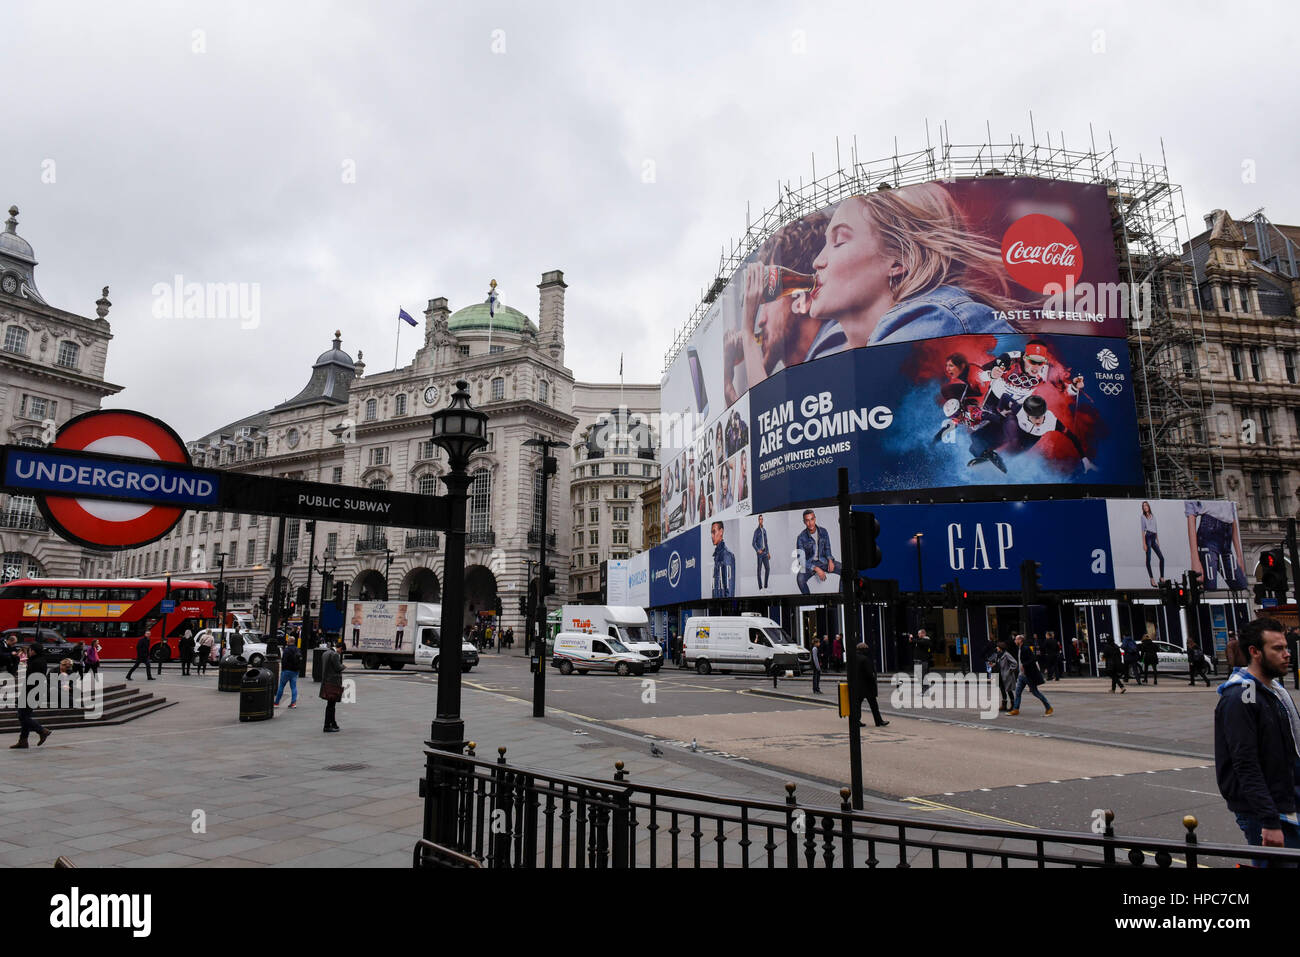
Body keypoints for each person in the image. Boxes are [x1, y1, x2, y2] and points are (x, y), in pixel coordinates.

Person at [808, 186, 1021, 348]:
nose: (817, 261)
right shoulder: (830, 344)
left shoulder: (937, 322)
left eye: (839, 241)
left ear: (901, 258)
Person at [1214, 617, 1300, 861]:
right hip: (1265, 812)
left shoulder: (1275, 692)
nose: (1287, 654)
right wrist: (1269, 820)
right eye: (1278, 648)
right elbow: (1245, 762)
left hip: (1286, 801)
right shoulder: (1240, 697)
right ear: (1255, 652)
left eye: (1286, 647)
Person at [10, 644, 51, 749]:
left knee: (22, 716)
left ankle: (42, 730)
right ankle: (23, 741)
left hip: (31, 692)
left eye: (30, 650)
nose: (29, 651)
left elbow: (33, 680)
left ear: (34, 651)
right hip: (33, 691)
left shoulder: (37, 662)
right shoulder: (38, 660)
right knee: (25, 716)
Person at [1008, 634, 1053, 716]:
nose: (1015, 641)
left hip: (1028, 675)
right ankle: (1016, 709)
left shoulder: (1025, 648)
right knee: (1018, 692)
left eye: (1016, 640)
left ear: (1020, 640)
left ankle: (1048, 707)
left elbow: (1033, 659)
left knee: (1035, 692)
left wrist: (1024, 665)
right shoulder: (1020, 649)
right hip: (1022, 675)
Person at [795, 509, 837, 594]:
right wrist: (816, 568)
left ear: (815, 519)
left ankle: (842, 599)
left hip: (823, 561)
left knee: (844, 571)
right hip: (810, 564)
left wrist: (830, 560)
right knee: (800, 579)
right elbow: (801, 560)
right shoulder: (801, 537)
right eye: (807, 520)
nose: (810, 523)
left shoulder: (823, 532)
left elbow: (827, 548)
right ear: (804, 522)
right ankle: (809, 601)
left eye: (812, 519)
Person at [855, 642, 887, 727]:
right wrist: (873, 678)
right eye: (866, 649)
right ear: (863, 649)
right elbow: (869, 673)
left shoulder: (853, 658)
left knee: (857, 705)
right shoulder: (864, 659)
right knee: (873, 705)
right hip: (867, 686)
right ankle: (878, 721)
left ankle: (856, 721)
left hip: (857, 685)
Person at [320, 640, 345, 732]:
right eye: (342, 651)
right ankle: (327, 725)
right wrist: (343, 666)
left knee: (330, 705)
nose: (341, 652)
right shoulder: (334, 655)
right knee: (331, 705)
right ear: (340, 648)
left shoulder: (326, 653)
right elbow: (338, 667)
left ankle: (333, 722)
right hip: (333, 682)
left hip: (326, 681)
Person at [1140, 501, 1165, 586]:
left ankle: (1162, 577)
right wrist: (1144, 543)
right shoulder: (1143, 517)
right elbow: (1143, 531)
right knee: (1148, 558)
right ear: (1143, 508)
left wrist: (1158, 540)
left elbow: (1156, 528)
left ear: (1148, 506)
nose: (1145, 507)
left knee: (1162, 558)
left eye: (1146, 505)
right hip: (1148, 537)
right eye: (1143, 506)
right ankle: (1151, 579)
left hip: (1154, 536)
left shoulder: (1153, 516)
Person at [710, 521, 735, 598]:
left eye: (714, 532)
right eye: (711, 533)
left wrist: (728, 607)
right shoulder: (717, 555)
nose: (712, 536)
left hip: (724, 606)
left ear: (721, 532)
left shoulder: (726, 555)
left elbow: (729, 588)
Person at [275, 638, 301, 709]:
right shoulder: (297, 649)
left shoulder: (286, 650)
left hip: (286, 670)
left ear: (289, 642)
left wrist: (283, 669)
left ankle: (277, 702)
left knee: (281, 686)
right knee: (293, 687)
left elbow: (284, 661)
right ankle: (293, 703)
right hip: (295, 671)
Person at [995, 641, 1019, 712]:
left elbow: (1014, 663)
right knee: (1002, 689)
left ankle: (1013, 705)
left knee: (1008, 690)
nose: (996, 648)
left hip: (1006, 675)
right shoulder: (998, 654)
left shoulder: (1006, 654)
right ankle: (1004, 705)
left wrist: (1009, 671)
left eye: (997, 647)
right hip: (999, 674)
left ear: (1000, 648)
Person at [752, 515, 771, 591]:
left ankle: (765, 586)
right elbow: (753, 543)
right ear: (758, 520)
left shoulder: (764, 530)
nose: (761, 520)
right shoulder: (756, 531)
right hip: (760, 554)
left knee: (768, 568)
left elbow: (766, 543)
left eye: (762, 519)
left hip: (765, 552)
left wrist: (768, 552)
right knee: (759, 570)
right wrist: (757, 550)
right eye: (760, 519)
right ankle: (760, 587)